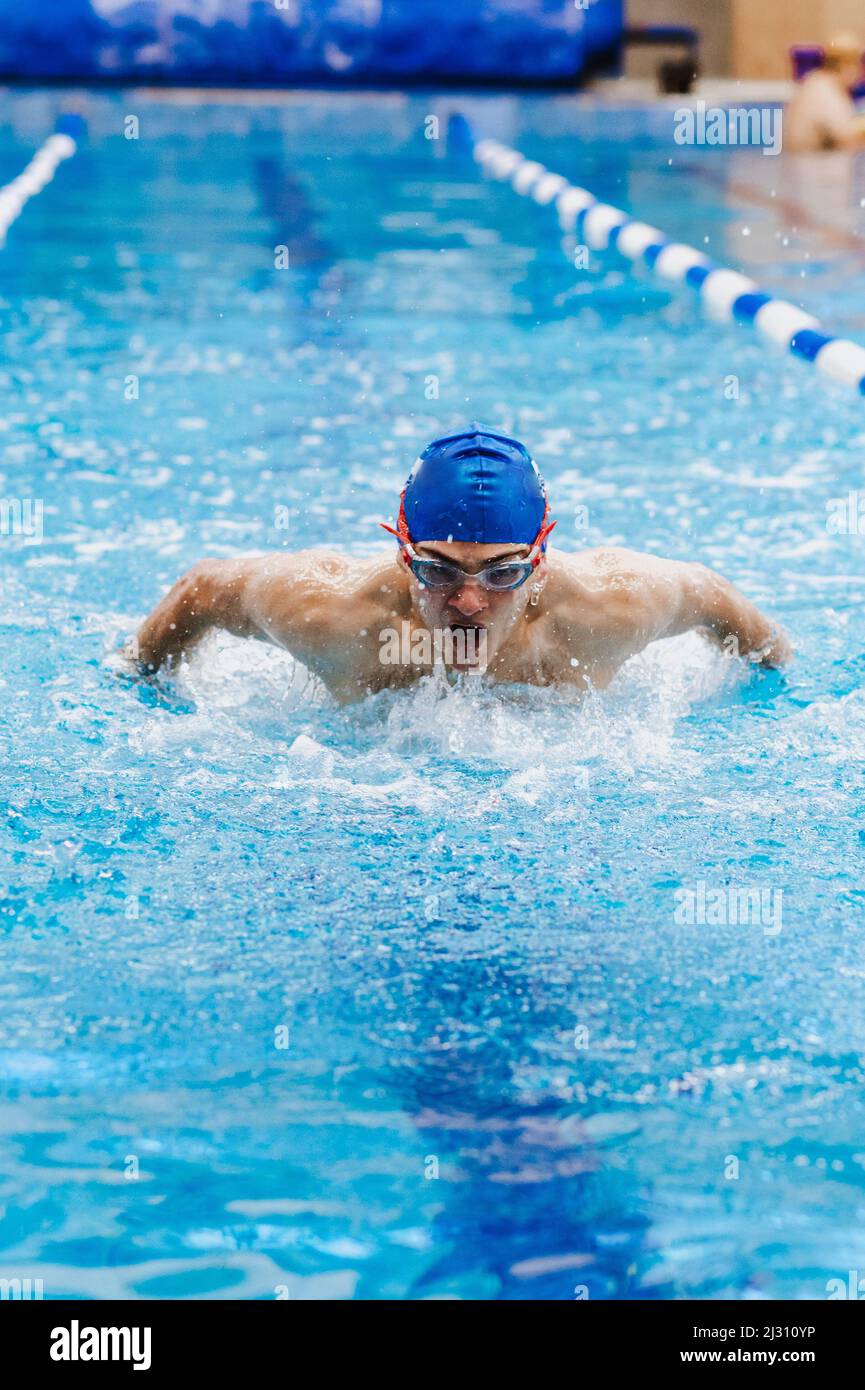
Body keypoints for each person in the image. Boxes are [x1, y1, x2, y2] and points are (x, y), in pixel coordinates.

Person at [133, 425, 791, 703]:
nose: (469, 602)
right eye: (437, 571)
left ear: (541, 555)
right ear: (400, 548)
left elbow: (720, 605)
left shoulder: (613, 607)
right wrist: (140, 682)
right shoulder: (324, 612)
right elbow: (200, 589)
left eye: (502, 573)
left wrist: (774, 686)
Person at [785, 32, 865, 152]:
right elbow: (845, 138)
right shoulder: (825, 92)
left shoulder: (814, 83)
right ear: (848, 66)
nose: (860, 77)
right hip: (816, 166)